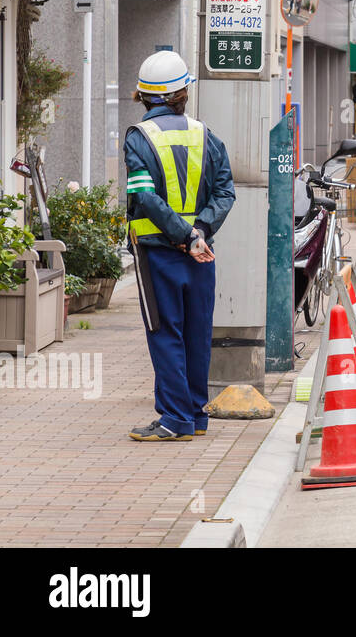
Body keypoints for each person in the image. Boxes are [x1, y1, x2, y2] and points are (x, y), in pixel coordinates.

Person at [125, 51, 235, 441]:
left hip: (158, 252)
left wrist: (183, 236)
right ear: (183, 92)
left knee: (165, 332)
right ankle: (194, 416)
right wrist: (199, 232)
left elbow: (144, 198)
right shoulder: (207, 135)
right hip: (202, 252)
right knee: (196, 332)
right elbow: (225, 192)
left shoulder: (139, 139)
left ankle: (174, 420)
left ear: (143, 95)